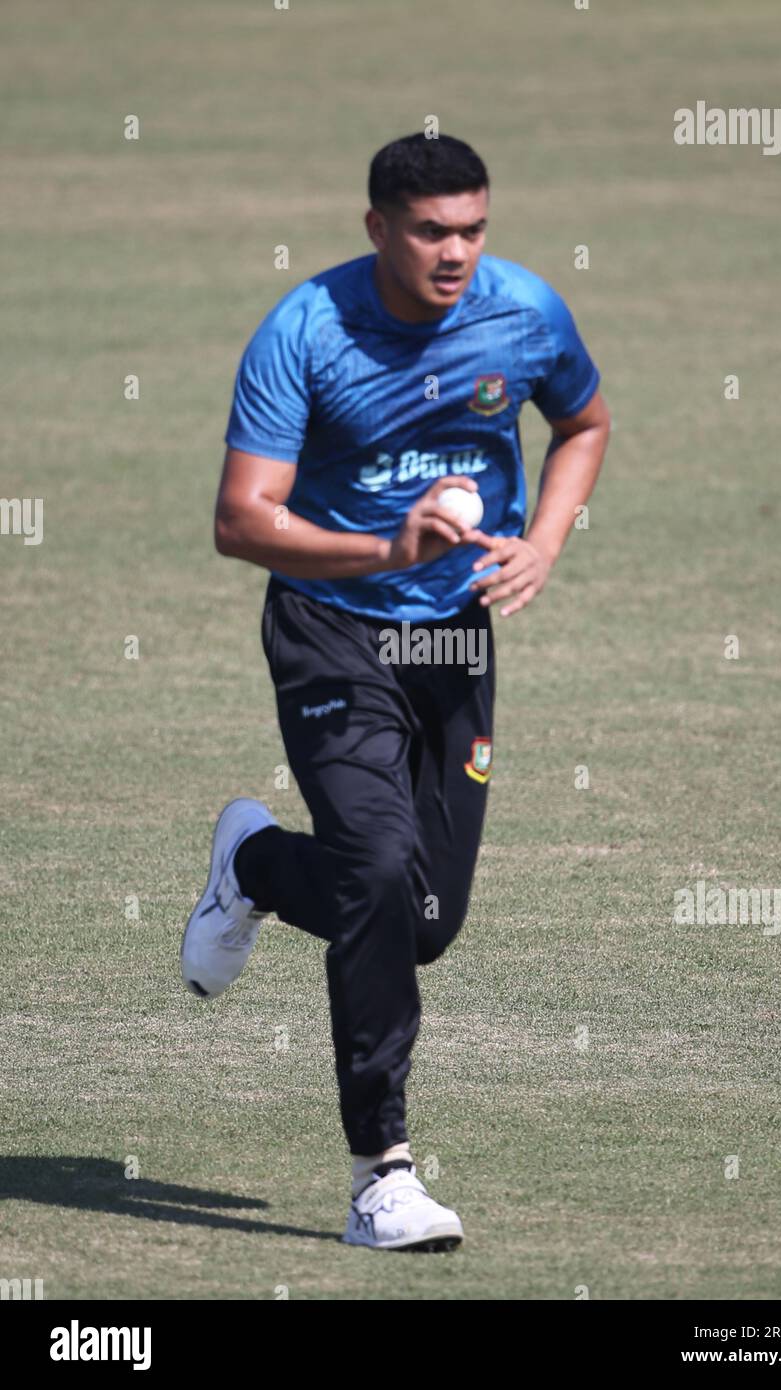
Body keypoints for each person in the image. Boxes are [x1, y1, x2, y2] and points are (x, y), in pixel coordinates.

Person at [180, 132, 610, 1251]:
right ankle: (384, 1173)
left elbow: (583, 423)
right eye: (429, 231)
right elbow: (242, 520)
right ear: (377, 228)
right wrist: (385, 548)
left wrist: (545, 540)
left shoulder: (524, 313)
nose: (455, 252)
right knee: (374, 866)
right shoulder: (305, 332)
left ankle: (255, 864)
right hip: (330, 632)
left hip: (452, 643)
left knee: (420, 921)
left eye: (471, 227)